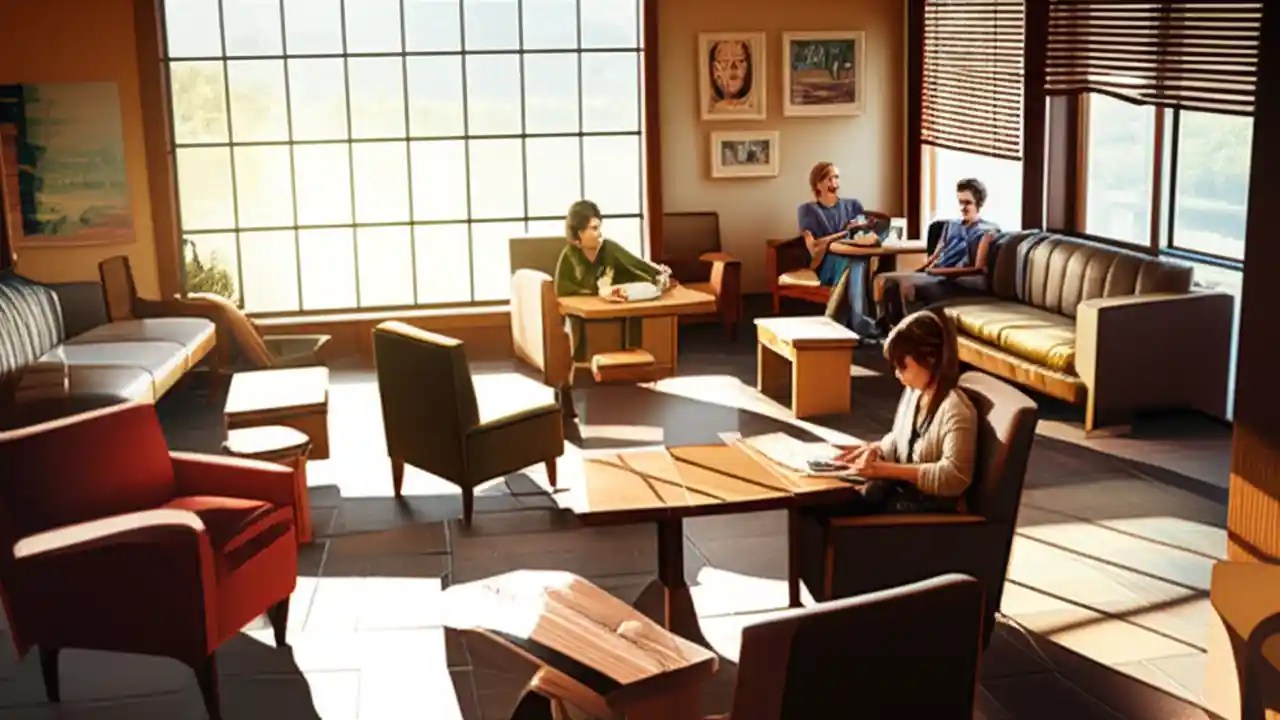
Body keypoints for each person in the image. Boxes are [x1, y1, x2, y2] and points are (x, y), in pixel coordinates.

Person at [827, 309, 978, 514]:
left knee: (835, 509)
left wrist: (885, 470)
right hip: (904, 496)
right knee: (827, 502)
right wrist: (876, 449)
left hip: (929, 513)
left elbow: (955, 476)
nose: (897, 374)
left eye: (903, 366)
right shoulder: (914, 393)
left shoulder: (956, 410)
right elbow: (900, 440)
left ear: (931, 359)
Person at [554, 199, 670, 361]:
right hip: (582, 313)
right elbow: (562, 289)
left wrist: (657, 271)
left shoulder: (608, 248)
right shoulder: (569, 255)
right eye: (594, 229)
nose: (599, 233)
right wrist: (596, 292)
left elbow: (634, 263)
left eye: (599, 228)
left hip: (616, 305)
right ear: (579, 232)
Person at [876, 178, 1000, 327]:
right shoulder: (951, 225)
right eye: (960, 202)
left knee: (907, 287)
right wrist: (920, 270)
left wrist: (939, 272)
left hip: (956, 277)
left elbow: (980, 268)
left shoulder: (986, 231)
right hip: (936, 271)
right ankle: (888, 330)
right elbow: (936, 254)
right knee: (886, 281)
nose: (963, 207)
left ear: (978, 203)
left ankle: (913, 332)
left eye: (968, 203)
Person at [797, 161, 881, 338]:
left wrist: (864, 229)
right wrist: (843, 232)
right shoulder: (808, 210)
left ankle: (855, 323)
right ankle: (860, 323)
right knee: (855, 265)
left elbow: (862, 235)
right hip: (826, 262)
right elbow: (813, 247)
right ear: (817, 184)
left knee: (858, 262)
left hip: (855, 255)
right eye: (829, 178)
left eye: (836, 177)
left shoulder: (852, 206)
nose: (834, 182)